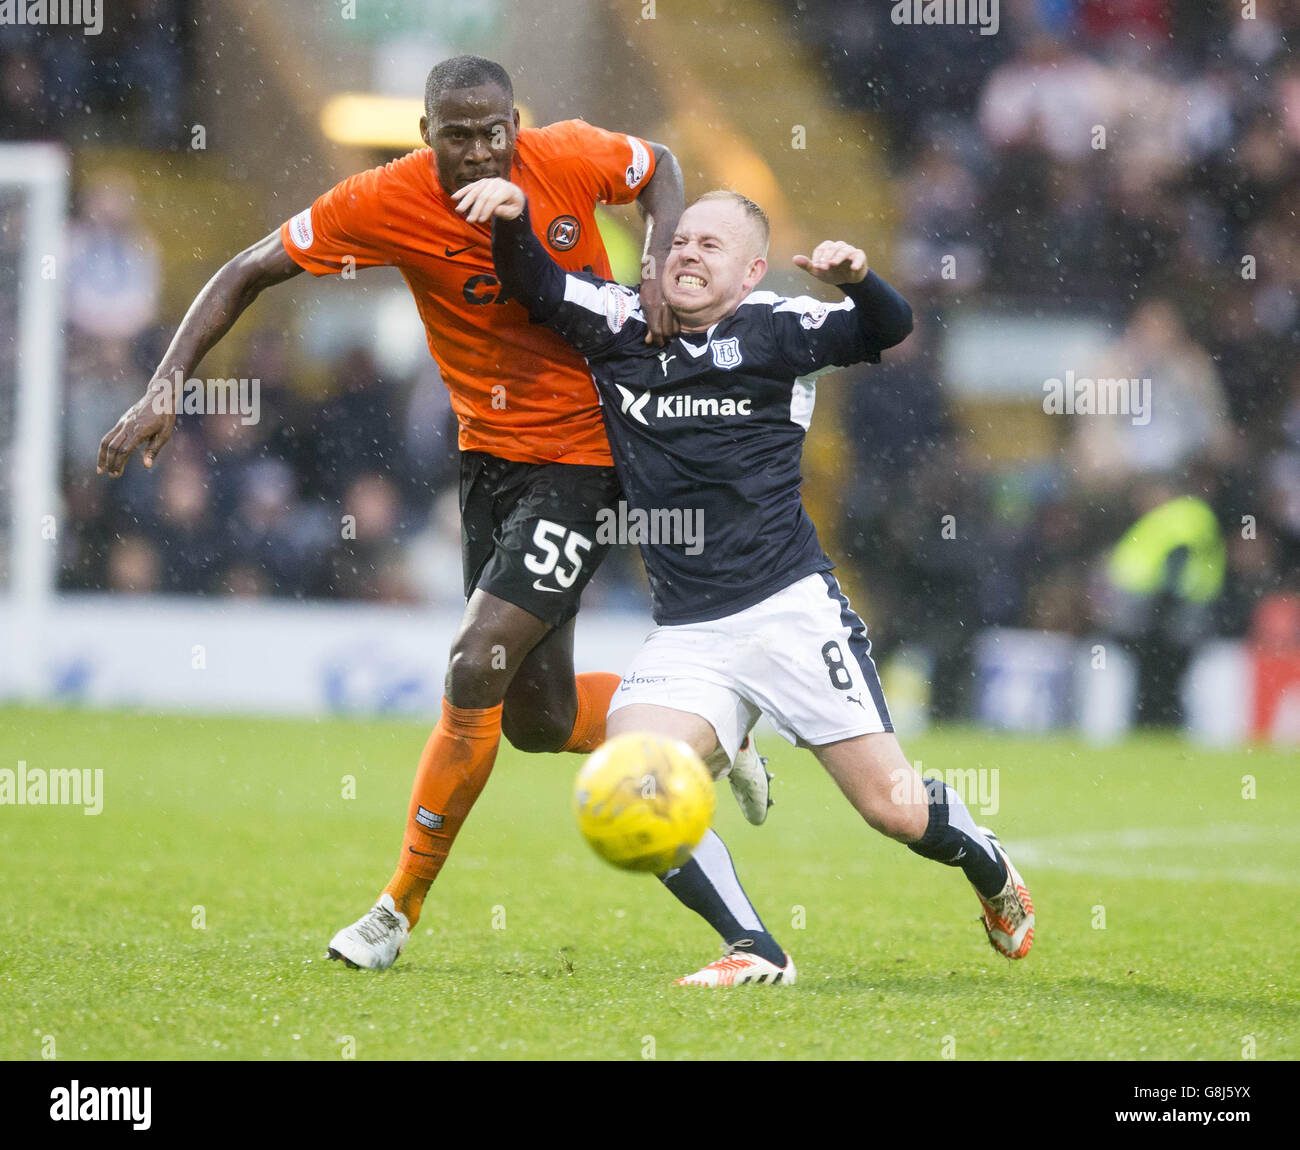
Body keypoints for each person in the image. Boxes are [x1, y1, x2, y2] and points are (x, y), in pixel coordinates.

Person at [97, 55, 770, 973]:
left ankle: (395, 910)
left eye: (495, 130)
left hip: (588, 456)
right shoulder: (384, 200)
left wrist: (655, 260)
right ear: (426, 137)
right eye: (458, 135)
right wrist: (164, 385)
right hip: (489, 462)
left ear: (516, 123)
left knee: (472, 657)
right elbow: (245, 269)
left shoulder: (567, 157)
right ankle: (714, 717)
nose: (482, 150)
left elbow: (658, 167)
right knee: (539, 716)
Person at [462, 175, 1036, 984]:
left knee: (893, 810)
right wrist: (515, 220)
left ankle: (986, 862)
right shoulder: (622, 321)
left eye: (712, 246)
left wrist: (857, 280)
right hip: (691, 630)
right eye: (682, 240)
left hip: (788, 613)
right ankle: (755, 949)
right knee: (634, 786)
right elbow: (532, 282)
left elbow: (890, 327)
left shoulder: (779, 329)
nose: (689, 254)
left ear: (752, 272)